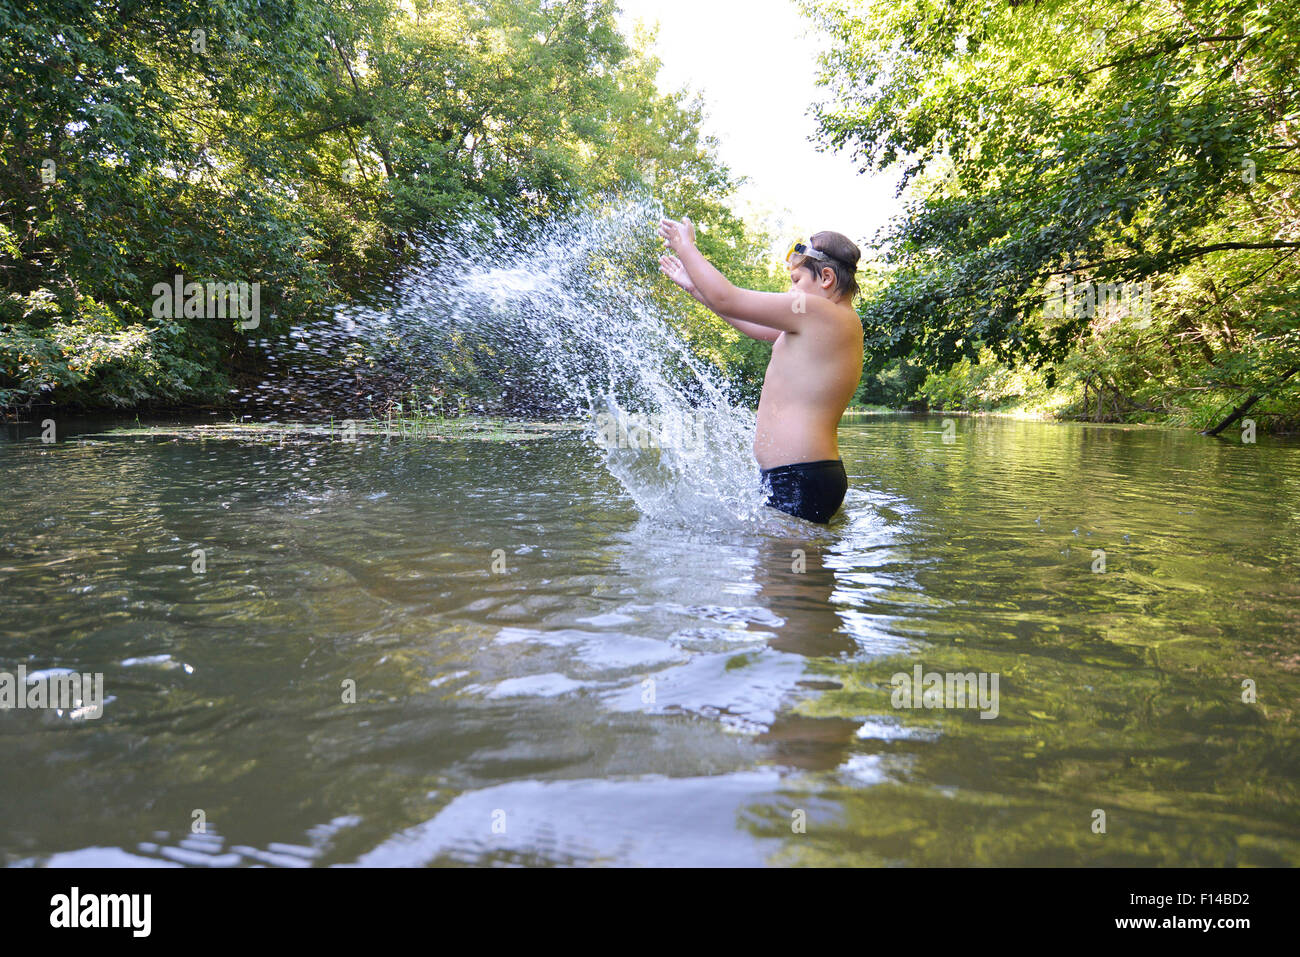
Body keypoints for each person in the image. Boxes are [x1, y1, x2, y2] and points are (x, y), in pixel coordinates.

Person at [658, 216, 864, 524]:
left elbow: (729, 298)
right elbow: (751, 324)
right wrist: (694, 287)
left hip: (799, 478)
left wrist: (686, 246)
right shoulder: (831, 321)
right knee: (788, 571)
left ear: (826, 278)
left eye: (796, 281)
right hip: (803, 476)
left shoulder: (820, 311)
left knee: (781, 572)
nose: (791, 292)